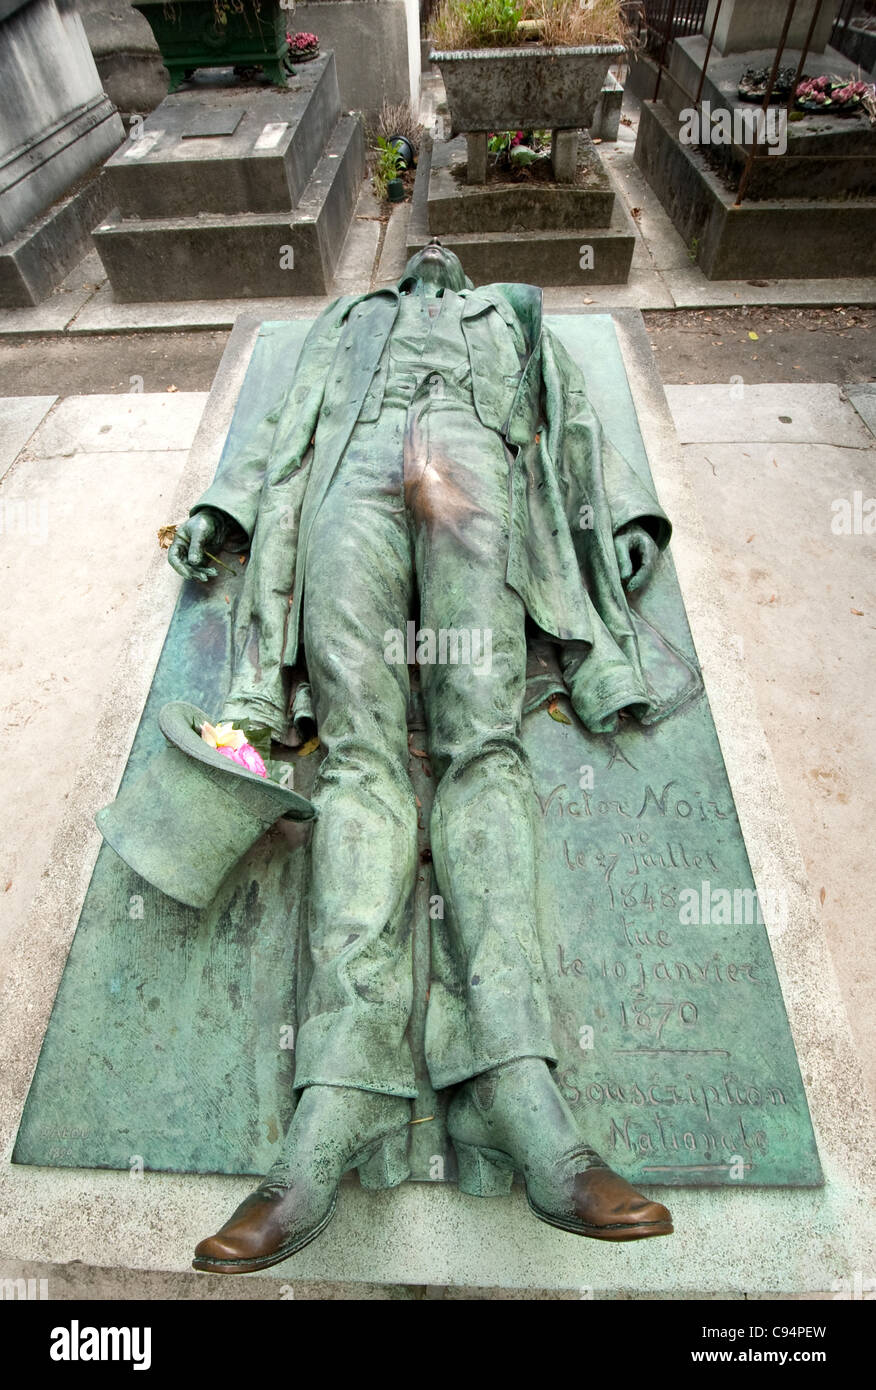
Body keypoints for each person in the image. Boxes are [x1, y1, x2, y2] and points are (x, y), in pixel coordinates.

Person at [169, 242, 697, 1273]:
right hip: (349, 479)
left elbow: (573, 416)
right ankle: (341, 1096)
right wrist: (221, 506)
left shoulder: (508, 311)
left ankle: (514, 1085)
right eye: (417, 254)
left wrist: (627, 513)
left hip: (470, 463)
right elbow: (281, 424)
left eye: (444, 254)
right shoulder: (346, 318)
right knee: (360, 761)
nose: (430, 257)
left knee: (481, 748)